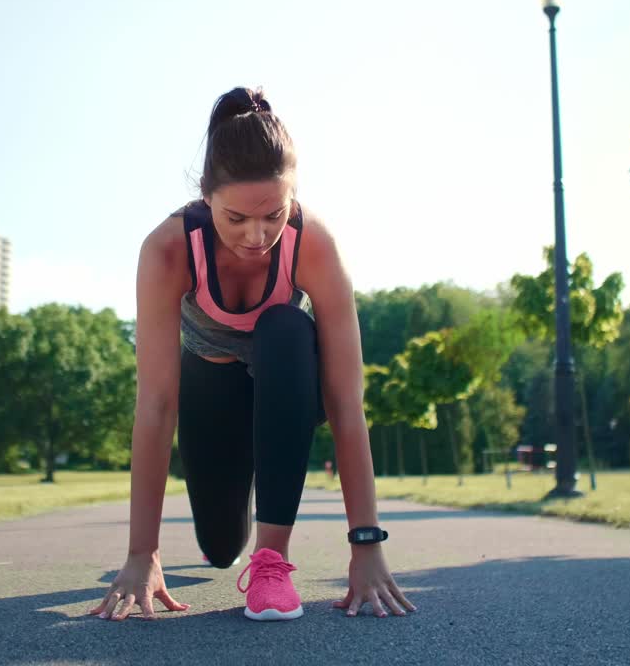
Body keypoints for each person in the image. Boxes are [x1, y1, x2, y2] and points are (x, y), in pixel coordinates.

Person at [91, 87, 416, 623]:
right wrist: (141, 554)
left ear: (293, 195)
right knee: (219, 548)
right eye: (236, 218)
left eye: (273, 214)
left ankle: (271, 563)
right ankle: (236, 525)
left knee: (286, 326)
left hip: (287, 387)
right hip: (211, 385)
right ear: (206, 196)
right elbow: (155, 403)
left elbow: (344, 399)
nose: (256, 235)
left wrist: (366, 545)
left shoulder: (312, 243)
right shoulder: (169, 249)